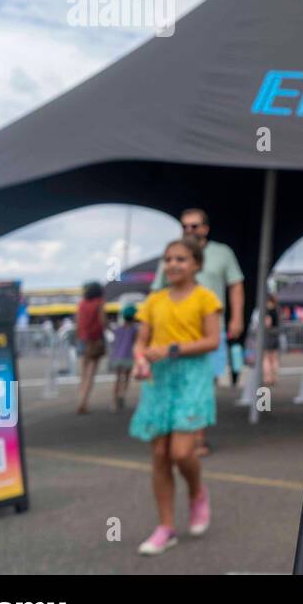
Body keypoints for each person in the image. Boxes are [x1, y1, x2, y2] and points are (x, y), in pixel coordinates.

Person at [130, 236, 222, 556]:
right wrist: (140, 360)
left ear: (196, 264)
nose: (173, 264)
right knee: (159, 454)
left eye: (181, 259)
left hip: (191, 378)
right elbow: (141, 341)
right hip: (159, 381)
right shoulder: (154, 301)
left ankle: (197, 492)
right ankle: (166, 527)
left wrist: (172, 349)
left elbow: (212, 341)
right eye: (168, 259)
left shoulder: (206, 299)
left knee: (182, 452)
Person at [151, 208, 244, 456]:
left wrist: (237, 318)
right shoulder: (174, 255)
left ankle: (197, 437)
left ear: (205, 228)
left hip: (210, 331)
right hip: (175, 331)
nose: (189, 230)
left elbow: (235, 285)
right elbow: (156, 291)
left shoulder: (222, 253)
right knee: (179, 383)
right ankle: (183, 434)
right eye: (185, 227)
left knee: (202, 383)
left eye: (194, 226)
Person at [75, 282, 107, 414]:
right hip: (95, 340)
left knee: (83, 373)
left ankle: (80, 399)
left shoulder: (81, 303)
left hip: (83, 339)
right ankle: (84, 402)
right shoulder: (99, 302)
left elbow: (77, 321)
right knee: (90, 374)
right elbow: (103, 321)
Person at [108, 302, 139, 410]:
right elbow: (136, 343)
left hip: (116, 357)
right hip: (128, 357)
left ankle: (114, 400)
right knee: (126, 378)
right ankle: (122, 395)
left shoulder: (118, 329)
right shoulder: (135, 329)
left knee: (117, 379)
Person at [262, 292, 282, 386]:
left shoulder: (268, 310)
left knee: (266, 357)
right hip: (276, 334)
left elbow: (267, 323)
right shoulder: (277, 309)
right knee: (274, 358)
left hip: (268, 335)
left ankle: (267, 378)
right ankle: (274, 377)